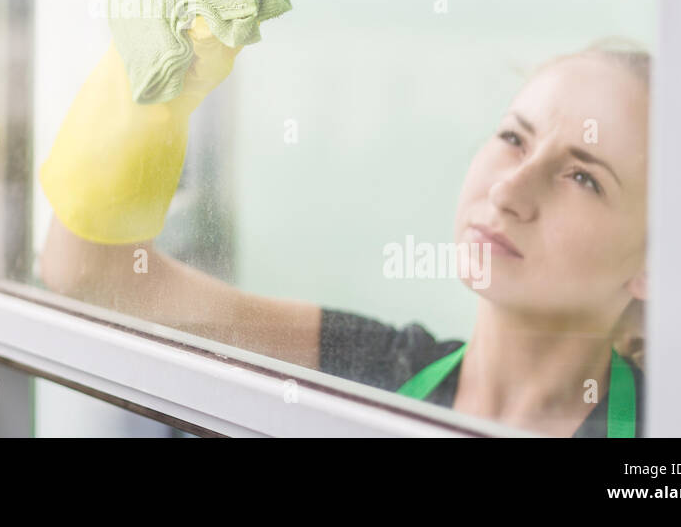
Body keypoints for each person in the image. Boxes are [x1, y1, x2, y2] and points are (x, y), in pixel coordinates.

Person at [38, 28, 649, 438]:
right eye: (514, 138)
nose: (509, 191)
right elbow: (90, 271)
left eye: (582, 177)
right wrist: (154, 67)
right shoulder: (378, 371)